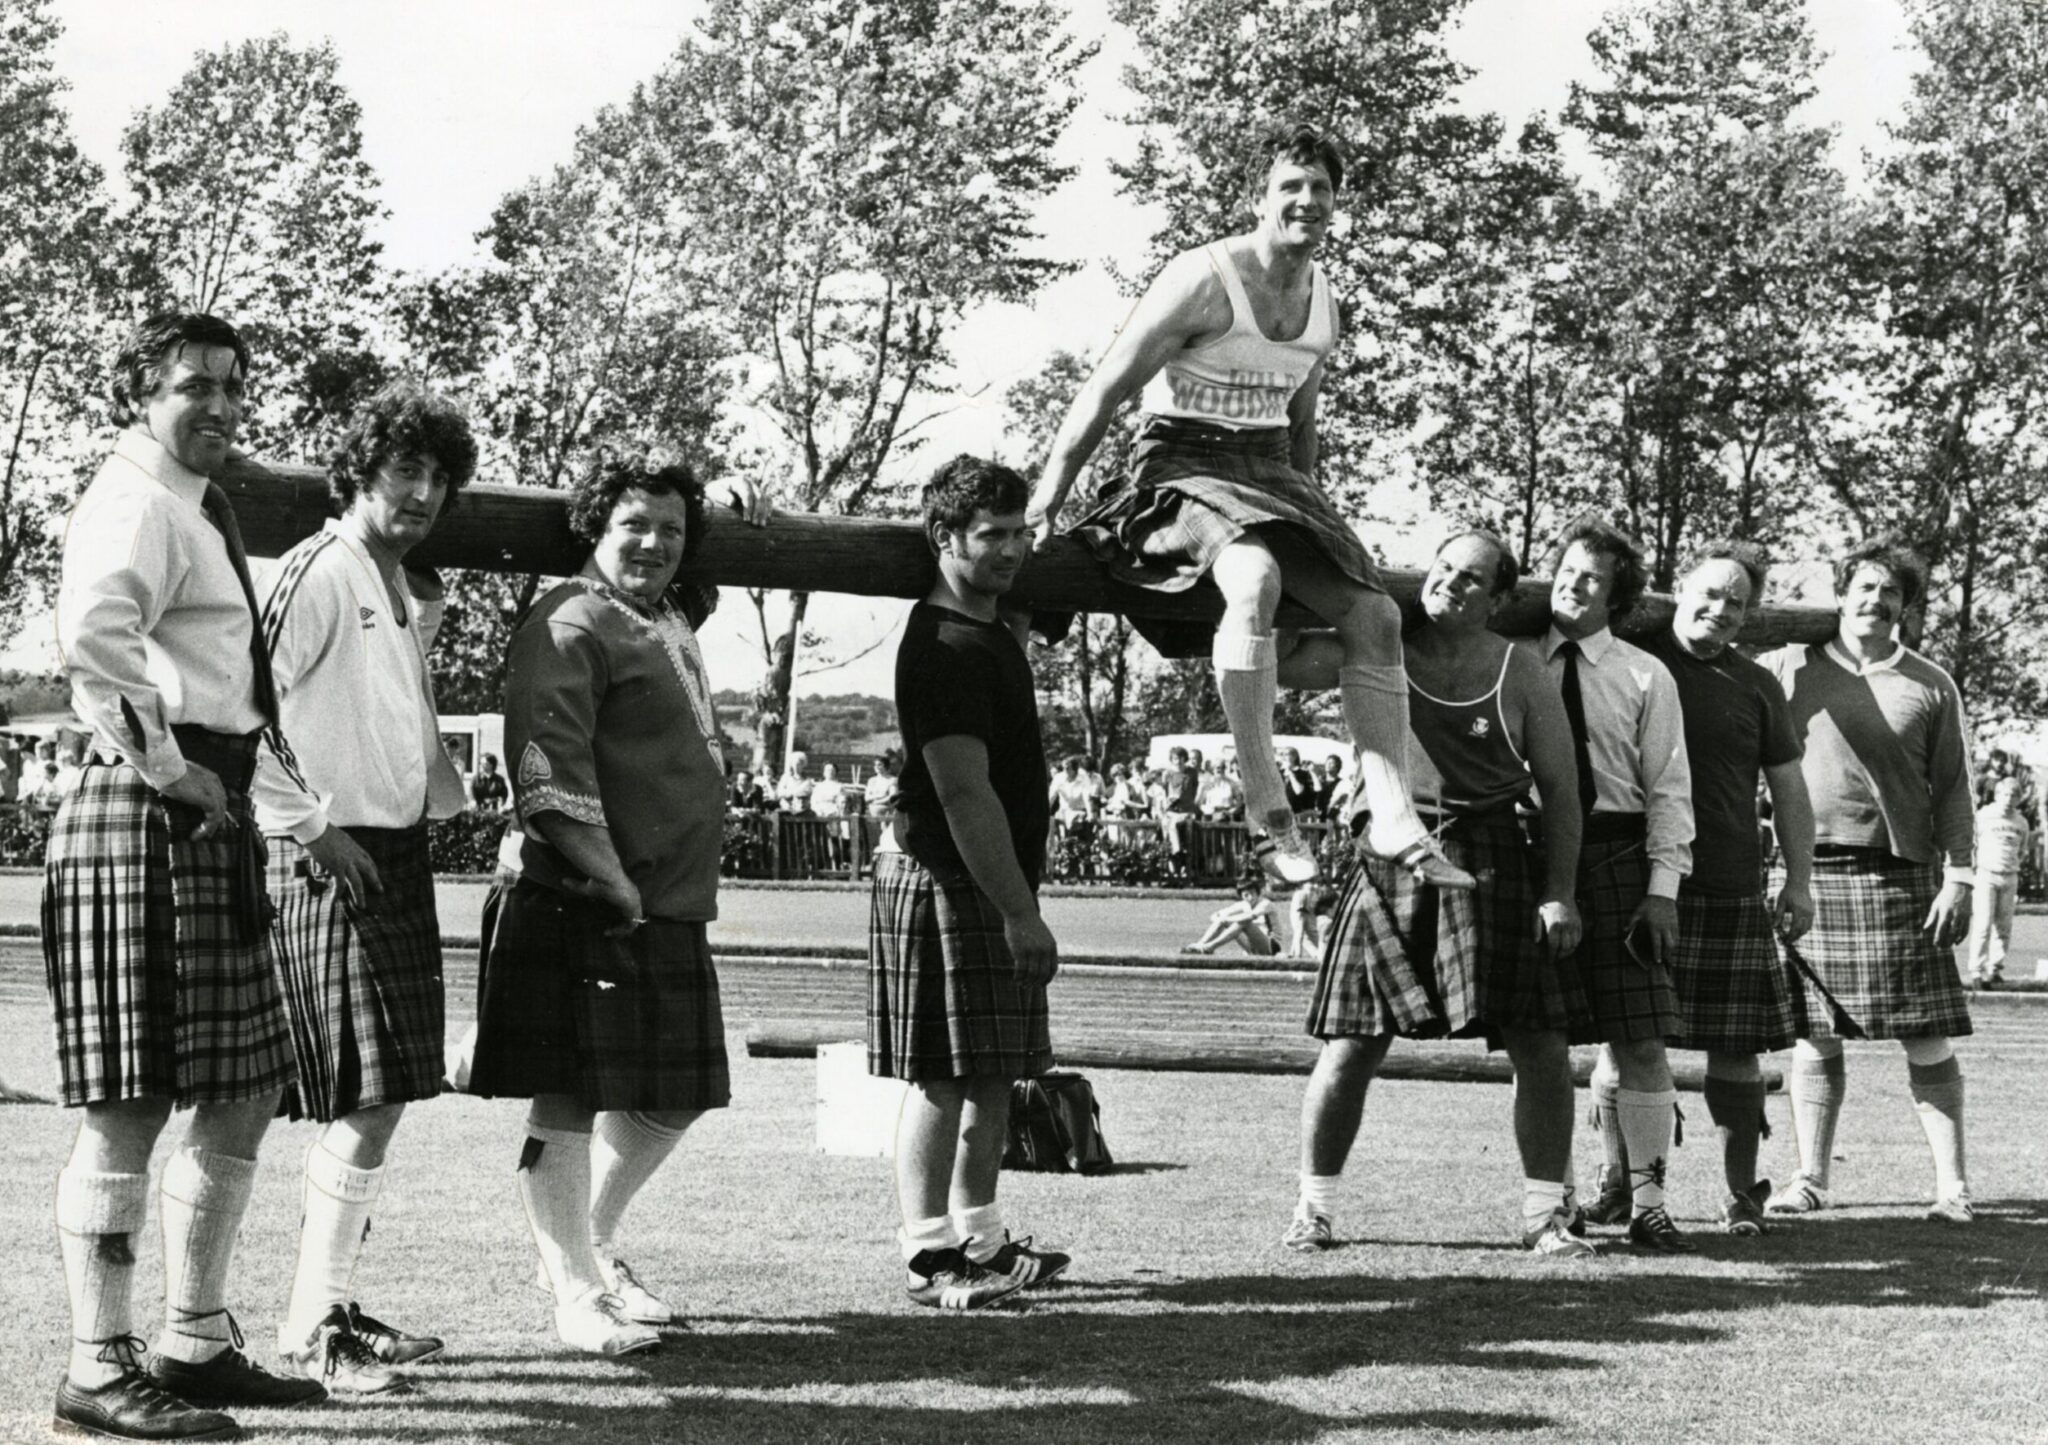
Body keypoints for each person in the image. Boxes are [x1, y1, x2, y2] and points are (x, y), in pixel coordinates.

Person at [1028, 122, 1469, 893]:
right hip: (1179, 460)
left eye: (1321, 188)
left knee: (1376, 615)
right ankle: (1270, 817)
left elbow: (1301, 422)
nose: (1307, 200)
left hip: (1267, 470)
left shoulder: (1322, 296)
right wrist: (1048, 495)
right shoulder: (1203, 278)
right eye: (1289, 187)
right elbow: (1107, 386)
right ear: (1258, 198)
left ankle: (1395, 816)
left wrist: (1318, 531)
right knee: (1255, 577)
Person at [44, 311, 326, 1440]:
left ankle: (195, 1343)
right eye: (192, 384)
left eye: (232, 385)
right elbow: (94, 639)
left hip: (206, 806)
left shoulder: (195, 502)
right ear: (140, 393)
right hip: (148, 810)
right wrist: (169, 767)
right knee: (131, 1098)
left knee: (243, 1085)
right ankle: (96, 1365)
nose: (218, 404)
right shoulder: (138, 500)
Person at [466, 451, 771, 1355]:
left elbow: (695, 565)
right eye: (633, 524)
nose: (653, 543)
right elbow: (545, 767)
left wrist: (720, 501)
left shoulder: (666, 609)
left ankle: (588, 1245)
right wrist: (609, 875)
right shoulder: (569, 620)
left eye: (672, 529)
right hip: (581, 895)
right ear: (594, 527)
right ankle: (573, 1291)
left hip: (665, 901)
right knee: (565, 1100)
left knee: (678, 1095)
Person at [250, 380, 478, 1392]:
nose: (421, 492)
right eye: (404, 470)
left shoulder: (392, 581)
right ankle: (314, 1322)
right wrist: (314, 826)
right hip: (327, 855)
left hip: (393, 852)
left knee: (383, 1093)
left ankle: (328, 1306)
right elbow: (241, 710)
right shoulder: (318, 568)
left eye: (438, 477)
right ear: (358, 473)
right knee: (368, 1091)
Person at [1289, 531, 1588, 1255]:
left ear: (1500, 599)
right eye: (1443, 567)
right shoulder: (1376, 646)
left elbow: (1562, 790)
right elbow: (1284, 658)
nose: (1450, 582)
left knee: (1541, 1044)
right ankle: (1313, 1210)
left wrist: (1559, 892)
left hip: (1491, 861)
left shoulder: (1520, 669)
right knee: (1351, 1044)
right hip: (1389, 859)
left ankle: (1545, 1216)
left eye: (1471, 577)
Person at [869, 454, 1068, 1311]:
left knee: (994, 1069)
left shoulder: (990, 627)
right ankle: (927, 1254)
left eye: (1021, 534)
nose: (1012, 549)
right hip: (950, 874)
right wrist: (1020, 910)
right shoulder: (944, 647)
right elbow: (962, 792)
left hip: (987, 877)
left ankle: (981, 1239)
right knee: (942, 1075)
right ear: (943, 536)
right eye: (991, 534)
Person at [1760, 538, 1978, 1223]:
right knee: (1813, 1035)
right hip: (1805, 868)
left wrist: (1960, 876)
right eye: (1865, 587)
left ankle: (1952, 1188)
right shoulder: (1786, 667)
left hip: (1901, 871)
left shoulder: (1931, 682)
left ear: (1905, 608)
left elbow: (1953, 788)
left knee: (1926, 1033)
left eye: (1891, 592)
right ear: (1841, 594)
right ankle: (1809, 1178)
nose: (1876, 601)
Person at [1628, 543, 1817, 1237]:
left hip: (1730, 881)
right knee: (1629, 1037)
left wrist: (1799, 881)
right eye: (1709, 593)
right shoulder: (1633, 657)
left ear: (1748, 615)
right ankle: (1622, 1185)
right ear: (1679, 588)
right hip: (1639, 876)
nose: (1719, 609)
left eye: (1736, 602)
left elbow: (1789, 789)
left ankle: (1742, 1193)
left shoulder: (1757, 684)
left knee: (1737, 1046)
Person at [1524, 514, 1695, 1252]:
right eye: (1566, 569)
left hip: (1620, 855)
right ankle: (1556, 1203)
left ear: (1616, 598)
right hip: (1531, 858)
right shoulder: (1513, 659)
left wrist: (1662, 890)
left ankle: (1649, 1204)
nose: (1573, 583)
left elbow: (1670, 788)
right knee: (1540, 1041)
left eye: (1592, 577)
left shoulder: (1645, 672)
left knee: (1641, 1039)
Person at [1966, 777, 2029, 988]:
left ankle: (1995, 969)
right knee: (1983, 924)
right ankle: (1976, 971)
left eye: (2014, 795)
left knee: (2004, 926)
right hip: (1986, 874)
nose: (2009, 799)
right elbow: (1972, 843)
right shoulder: (1984, 816)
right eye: (2005, 794)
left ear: (2019, 799)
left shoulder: (2021, 822)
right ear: (1997, 795)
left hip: (2010, 875)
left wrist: (2015, 864)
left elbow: (2023, 849)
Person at [1184, 875, 1282, 956]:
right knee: (1229, 921)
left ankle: (1209, 947)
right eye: (1246, 895)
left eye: (1253, 893)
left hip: (1271, 946)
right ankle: (1200, 945)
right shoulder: (1243, 905)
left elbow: (1251, 916)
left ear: (1258, 893)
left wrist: (1226, 919)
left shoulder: (1265, 904)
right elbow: (1215, 916)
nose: (1250, 897)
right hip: (1252, 947)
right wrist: (1222, 920)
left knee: (1243, 922)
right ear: (1241, 896)